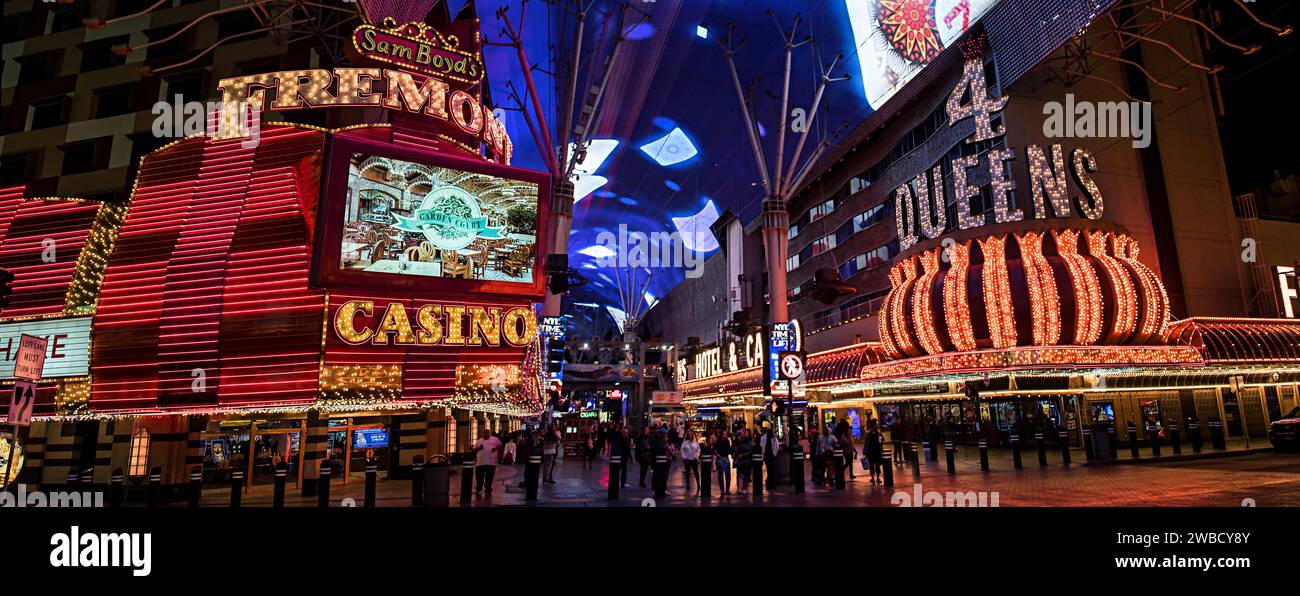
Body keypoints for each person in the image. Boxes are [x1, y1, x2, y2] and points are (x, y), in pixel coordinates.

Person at [472, 428, 502, 495]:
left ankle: (488, 489)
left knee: (489, 476)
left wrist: (496, 449)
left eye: (487, 433)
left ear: (489, 433)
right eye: (484, 433)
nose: (485, 434)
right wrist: (478, 448)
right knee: (479, 477)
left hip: (491, 461)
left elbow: (500, 446)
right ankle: (479, 489)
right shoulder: (479, 441)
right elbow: (474, 449)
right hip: (480, 462)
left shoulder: (495, 439)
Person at [759, 425, 780, 490]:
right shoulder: (773, 438)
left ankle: (769, 482)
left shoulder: (763, 437)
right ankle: (770, 482)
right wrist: (774, 454)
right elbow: (777, 446)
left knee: (769, 469)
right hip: (770, 456)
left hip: (767, 456)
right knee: (771, 469)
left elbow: (761, 446)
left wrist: (763, 455)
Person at [863, 419, 884, 484]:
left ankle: (877, 478)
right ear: (873, 425)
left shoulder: (878, 432)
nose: (877, 425)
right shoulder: (869, 433)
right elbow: (866, 443)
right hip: (871, 451)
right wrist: (865, 451)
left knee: (877, 465)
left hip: (876, 451)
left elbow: (882, 440)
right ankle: (873, 478)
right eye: (876, 424)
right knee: (872, 465)